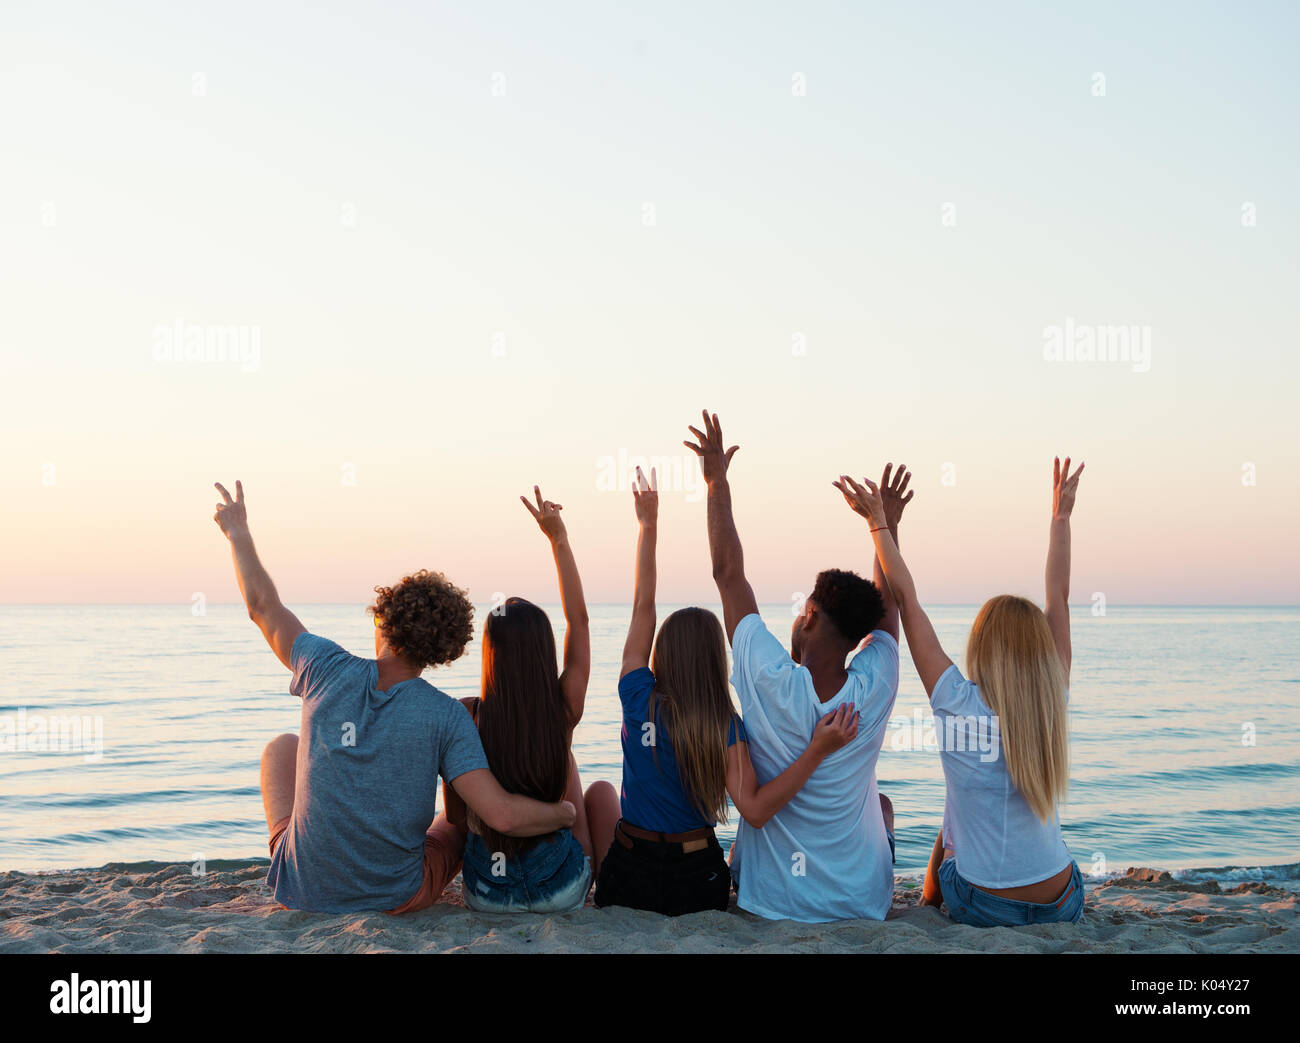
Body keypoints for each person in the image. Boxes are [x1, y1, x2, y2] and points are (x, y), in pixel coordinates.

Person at [212, 480, 575, 914]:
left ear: (382, 618)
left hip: (305, 890)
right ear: (445, 650)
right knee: (456, 823)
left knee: (279, 748)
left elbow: (263, 607)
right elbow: (502, 817)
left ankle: (299, 860)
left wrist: (239, 533)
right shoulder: (447, 716)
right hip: (397, 898)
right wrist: (563, 814)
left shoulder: (322, 666)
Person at [594, 467, 861, 916]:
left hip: (630, 878)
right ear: (716, 660)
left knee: (600, 795)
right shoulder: (726, 725)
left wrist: (648, 526)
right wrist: (817, 750)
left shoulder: (636, 696)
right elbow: (754, 811)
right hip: (696, 881)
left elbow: (643, 605)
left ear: (664, 653)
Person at [832, 456, 1086, 927]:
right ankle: (936, 896)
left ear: (984, 649)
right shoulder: (1055, 694)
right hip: (1063, 900)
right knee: (961, 802)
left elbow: (905, 600)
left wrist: (878, 526)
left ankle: (928, 902)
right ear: (1038, 650)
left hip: (985, 906)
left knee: (956, 815)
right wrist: (1061, 518)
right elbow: (1059, 597)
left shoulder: (956, 701)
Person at [684, 412, 909, 922]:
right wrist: (884, 527)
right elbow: (889, 610)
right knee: (883, 804)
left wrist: (716, 482)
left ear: (809, 617)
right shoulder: (876, 682)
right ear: (858, 638)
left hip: (774, 903)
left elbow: (727, 572)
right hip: (863, 903)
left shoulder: (766, 675)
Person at [444, 486, 621, 913]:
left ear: (490, 654)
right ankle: (604, 885)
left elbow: (454, 817)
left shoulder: (464, 714)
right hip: (559, 888)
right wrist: (558, 540)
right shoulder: (563, 710)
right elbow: (579, 620)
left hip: (488, 893)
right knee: (587, 778)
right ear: (544, 651)